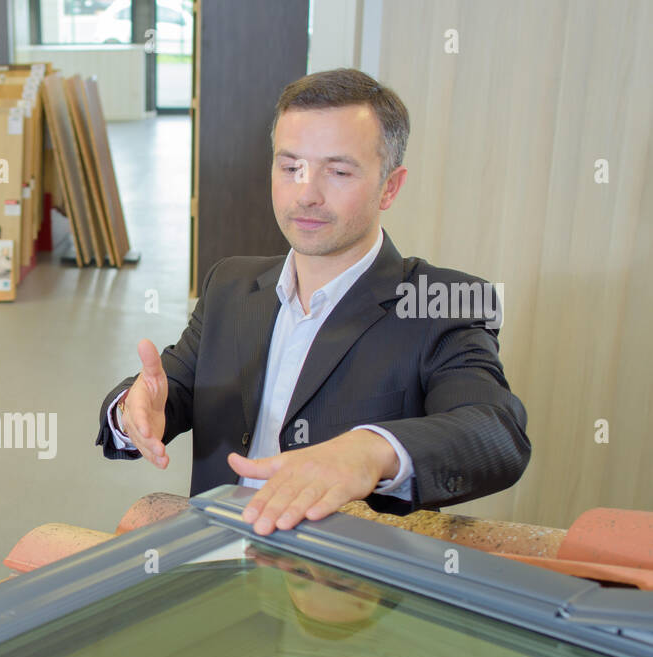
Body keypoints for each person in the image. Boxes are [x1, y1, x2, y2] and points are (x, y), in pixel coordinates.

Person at [96, 68, 529, 535]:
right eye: (290, 167)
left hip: (346, 592)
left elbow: (496, 431)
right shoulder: (231, 284)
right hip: (216, 561)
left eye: (339, 171)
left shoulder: (440, 302)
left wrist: (371, 450)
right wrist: (132, 409)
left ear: (390, 186)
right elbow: (172, 388)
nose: (307, 194)